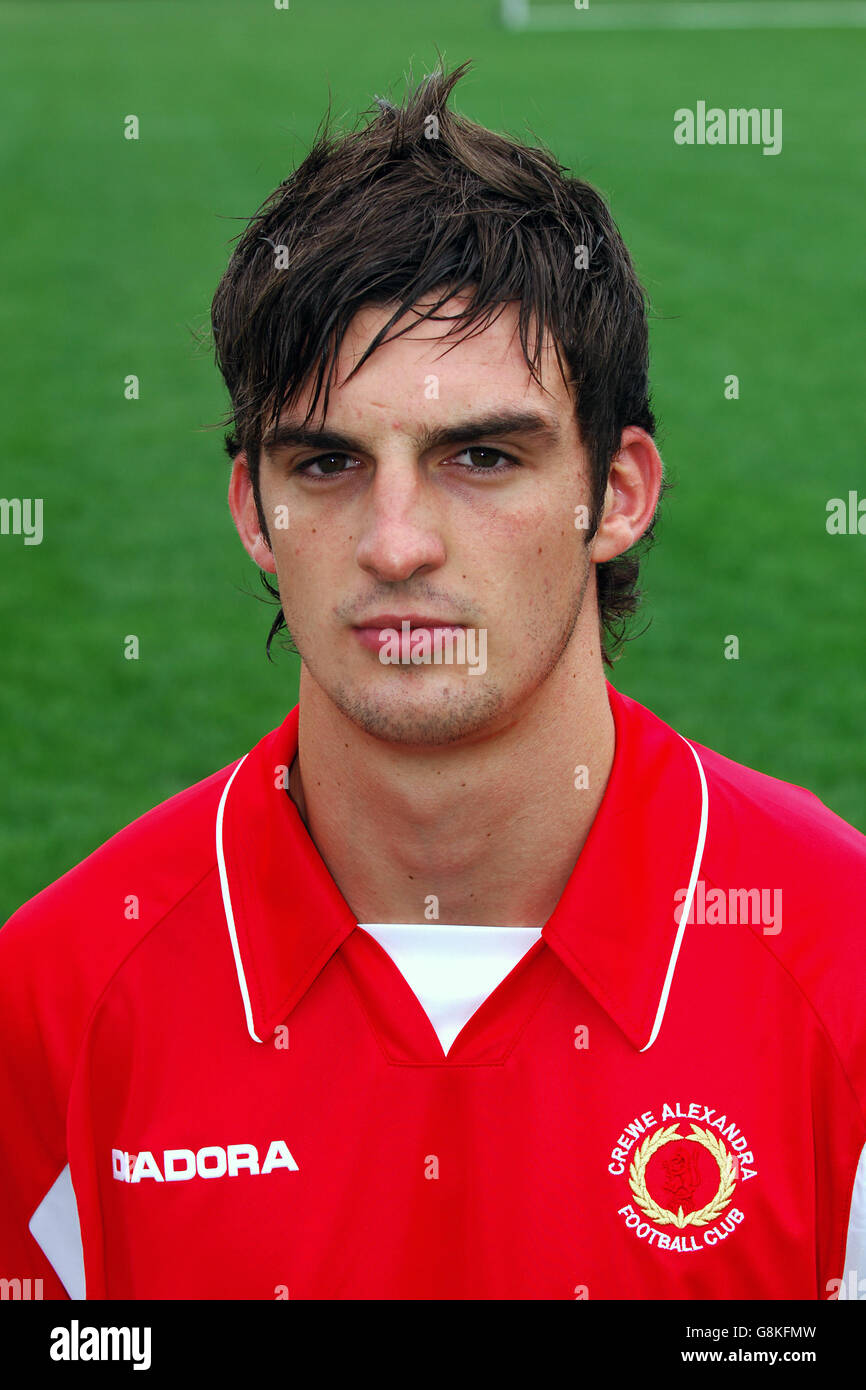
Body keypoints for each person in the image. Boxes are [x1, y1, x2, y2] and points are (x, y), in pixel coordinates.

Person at [1, 62, 863, 1302]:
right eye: (326, 462)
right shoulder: (60, 998)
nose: (395, 541)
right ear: (253, 508)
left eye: (480, 455)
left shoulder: (840, 963)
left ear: (614, 494)